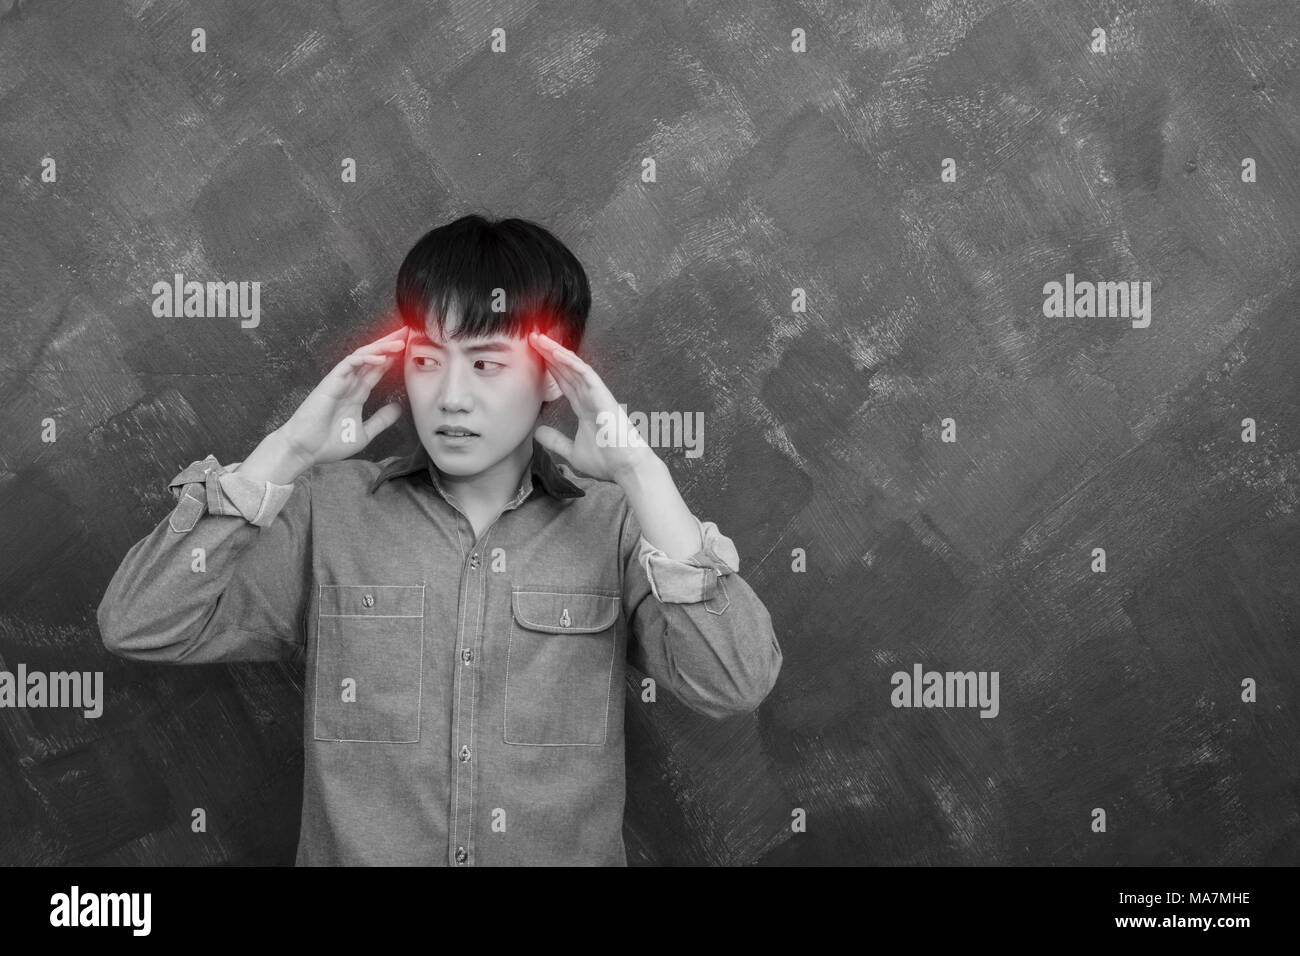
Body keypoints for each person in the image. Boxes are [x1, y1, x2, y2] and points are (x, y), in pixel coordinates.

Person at [97, 213, 783, 866]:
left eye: (485, 364)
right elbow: (139, 623)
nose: (450, 396)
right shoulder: (326, 515)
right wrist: (285, 453)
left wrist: (643, 474)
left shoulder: (620, 527)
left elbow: (734, 681)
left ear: (553, 374)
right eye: (427, 361)